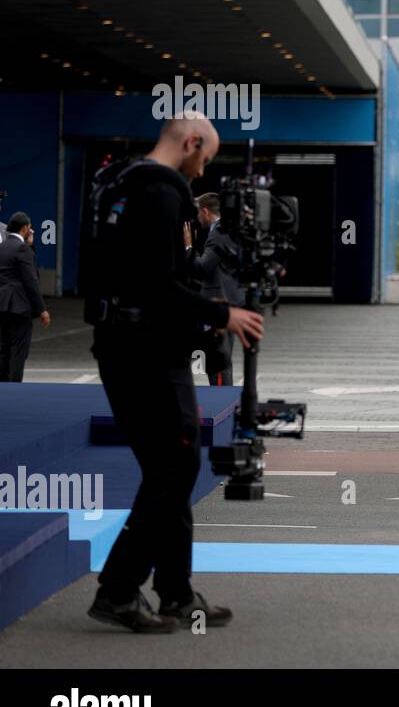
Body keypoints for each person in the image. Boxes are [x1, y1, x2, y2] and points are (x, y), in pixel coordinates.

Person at [82, 112, 264, 633]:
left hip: (124, 344)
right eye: (204, 158)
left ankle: (176, 593)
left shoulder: (116, 183)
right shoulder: (162, 193)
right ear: (190, 142)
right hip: (147, 351)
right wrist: (222, 314)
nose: (202, 172)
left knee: (173, 467)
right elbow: (158, 286)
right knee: (173, 469)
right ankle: (119, 590)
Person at [185, 192, 242, 386]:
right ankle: (223, 396)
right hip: (226, 299)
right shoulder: (224, 230)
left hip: (219, 302)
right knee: (219, 357)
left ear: (205, 211)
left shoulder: (218, 233)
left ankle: (222, 399)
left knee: (218, 359)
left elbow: (201, 268)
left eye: (197, 214)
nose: (196, 219)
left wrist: (188, 247)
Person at [0, 212, 50, 382]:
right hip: (18, 307)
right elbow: (31, 280)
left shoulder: (2, 247)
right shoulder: (22, 249)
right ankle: (15, 388)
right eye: (29, 227)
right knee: (19, 351)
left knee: (4, 349)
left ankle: (3, 388)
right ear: (24, 228)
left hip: (2, 306)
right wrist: (42, 309)